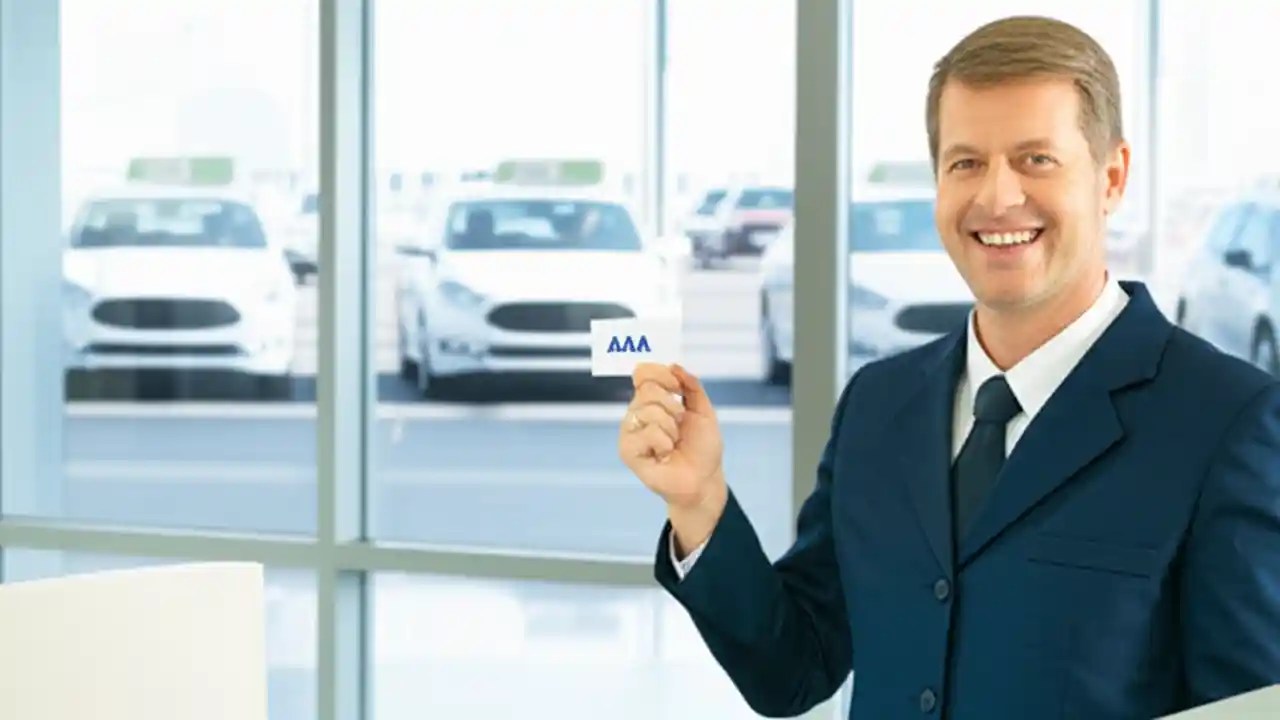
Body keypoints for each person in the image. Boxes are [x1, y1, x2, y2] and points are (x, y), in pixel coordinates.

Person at [618, 15, 1280, 720]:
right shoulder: (878, 404)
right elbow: (793, 670)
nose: (996, 197)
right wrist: (700, 504)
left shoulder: (1225, 421)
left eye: (1035, 159)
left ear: (1111, 177)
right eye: (966, 163)